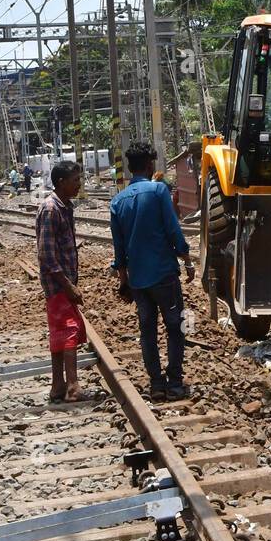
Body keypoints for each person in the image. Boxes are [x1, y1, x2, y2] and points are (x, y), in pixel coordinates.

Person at [110, 141, 195, 402]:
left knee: (147, 330)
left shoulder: (117, 201)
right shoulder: (158, 191)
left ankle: (156, 384)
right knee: (175, 327)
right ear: (149, 165)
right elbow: (173, 230)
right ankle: (176, 383)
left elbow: (118, 250)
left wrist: (124, 281)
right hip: (163, 274)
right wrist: (187, 260)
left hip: (138, 280)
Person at [35, 160, 85, 404]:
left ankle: (58, 386)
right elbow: (46, 254)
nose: (79, 184)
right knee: (69, 331)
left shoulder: (66, 207)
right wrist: (68, 285)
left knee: (60, 331)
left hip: (62, 282)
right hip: (58, 284)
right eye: (75, 180)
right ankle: (72, 386)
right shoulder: (51, 209)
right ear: (61, 182)